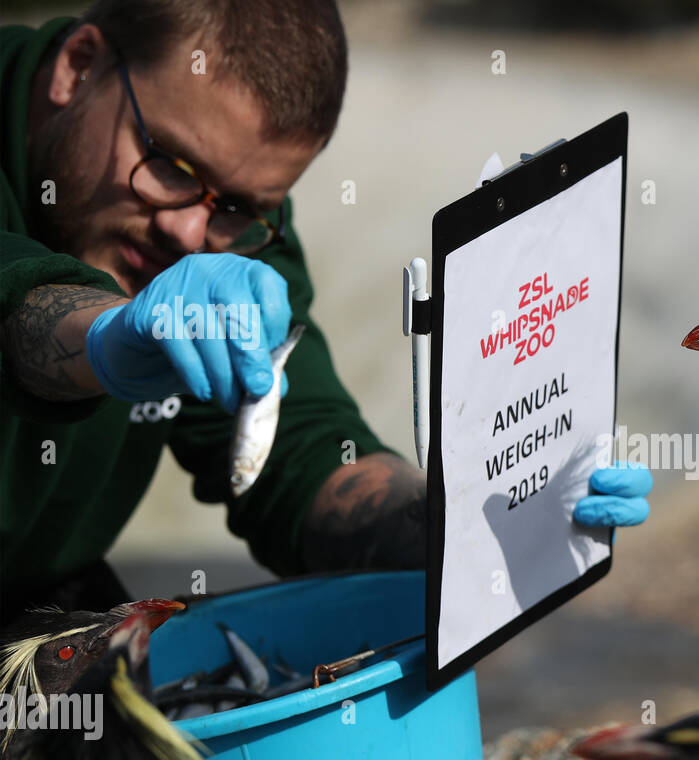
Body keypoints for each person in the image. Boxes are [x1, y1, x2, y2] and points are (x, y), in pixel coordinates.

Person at [0, 1, 651, 627]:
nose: (189, 230)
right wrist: (107, 337)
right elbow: (16, 302)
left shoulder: (240, 239)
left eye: (235, 205)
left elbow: (305, 456)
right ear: (78, 65)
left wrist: (479, 514)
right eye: (169, 164)